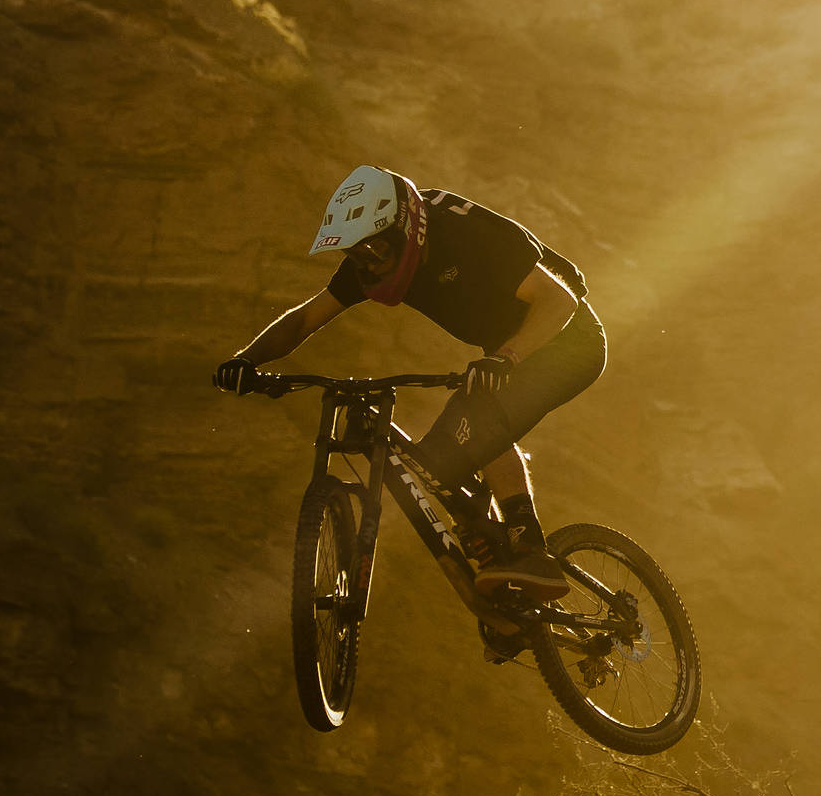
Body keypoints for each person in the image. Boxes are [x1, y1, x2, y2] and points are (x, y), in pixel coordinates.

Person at [213, 166, 607, 596]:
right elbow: (306, 318)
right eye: (360, 255)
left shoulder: (464, 231)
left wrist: (506, 357)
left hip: (567, 340)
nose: (372, 263)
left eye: (377, 250)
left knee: (466, 428)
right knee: (458, 441)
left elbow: (560, 300)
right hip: (505, 354)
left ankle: (532, 551)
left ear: (407, 228)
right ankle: (505, 590)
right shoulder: (374, 262)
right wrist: (246, 360)